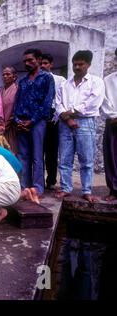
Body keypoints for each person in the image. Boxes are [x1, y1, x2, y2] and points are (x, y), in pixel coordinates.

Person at [55, 50, 106, 203]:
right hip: (65, 124)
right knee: (64, 158)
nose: (77, 67)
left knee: (87, 159)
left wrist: (70, 113)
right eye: (75, 64)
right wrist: (66, 117)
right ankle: (65, 188)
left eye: (81, 64)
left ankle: (86, 190)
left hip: (85, 122)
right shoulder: (65, 84)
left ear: (88, 65)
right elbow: (58, 103)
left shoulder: (96, 82)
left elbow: (93, 103)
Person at [14, 48, 55, 202]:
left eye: (30, 60)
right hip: (21, 123)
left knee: (37, 156)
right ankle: (25, 187)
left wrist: (31, 121)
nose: (27, 63)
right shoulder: (23, 81)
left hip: (37, 122)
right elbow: (17, 102)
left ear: (38, 60)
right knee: (23, 156)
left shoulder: (46, 78)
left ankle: (38, 188)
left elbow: (47, 102)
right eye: (25, 61)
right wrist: (18, 120)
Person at [41, 53, 67, 191]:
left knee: (51, 151)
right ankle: (38, 182)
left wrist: (57, 116)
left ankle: (51, 181)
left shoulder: (60, 79)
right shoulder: (37, 79)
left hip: (54, 117)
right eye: (41, 64)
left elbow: (62, 98)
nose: (43, 66)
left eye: (45, 63)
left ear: (51, 64)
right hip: (39, 118)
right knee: (38, 151)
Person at [102, 60, 117, 202]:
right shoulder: (108, 80)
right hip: (113, 122)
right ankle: (114, 189)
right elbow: (105, 101)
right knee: (111, 156)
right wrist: (114, 116)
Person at [0, 66, 19, 154]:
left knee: (12, 150)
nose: (5, 76)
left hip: (12, 126)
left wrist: (8, 123)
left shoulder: (18, 89)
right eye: (3, 74)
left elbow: (17, 108)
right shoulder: (0, 90)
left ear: (14, 77)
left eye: (8, 74)